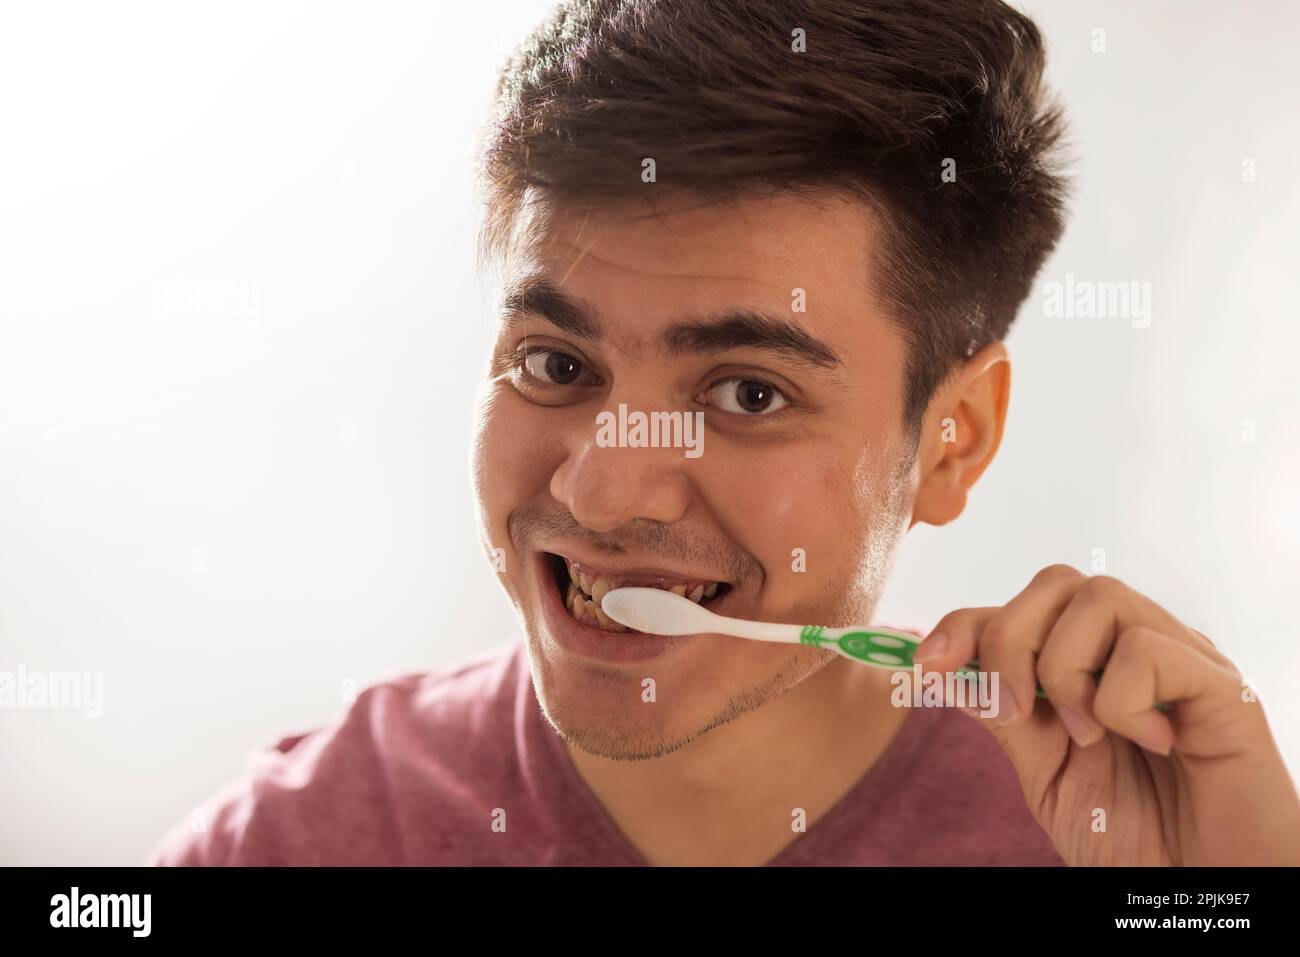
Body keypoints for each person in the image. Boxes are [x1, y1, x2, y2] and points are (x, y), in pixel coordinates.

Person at [149, 0, 1300, 866]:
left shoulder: (1130, 844)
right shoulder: (307, 838)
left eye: (746, 394)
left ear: (951, 440)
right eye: (557, 365)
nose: (604, 494)